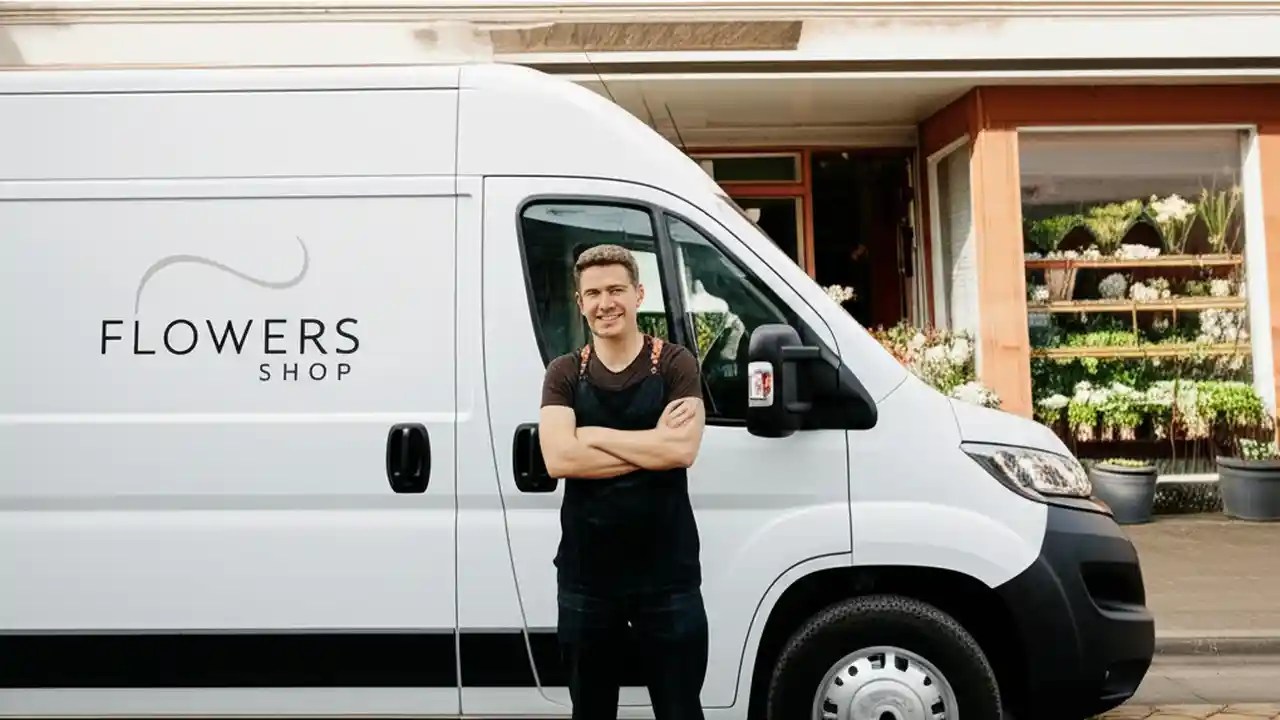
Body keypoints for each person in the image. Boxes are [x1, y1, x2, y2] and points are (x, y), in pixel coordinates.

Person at [538, 243, 708, 720]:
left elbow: (682, 450)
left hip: (667, 577)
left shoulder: (676, 364)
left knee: (679, 709)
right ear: (579, 302)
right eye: (592, 293)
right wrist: (650, 443)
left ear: (638, 294)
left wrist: (594, 436)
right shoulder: (565, 373)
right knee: (591, 711)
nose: (604, 303)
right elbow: (558, 457)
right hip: (586, 579)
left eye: (615, 290)